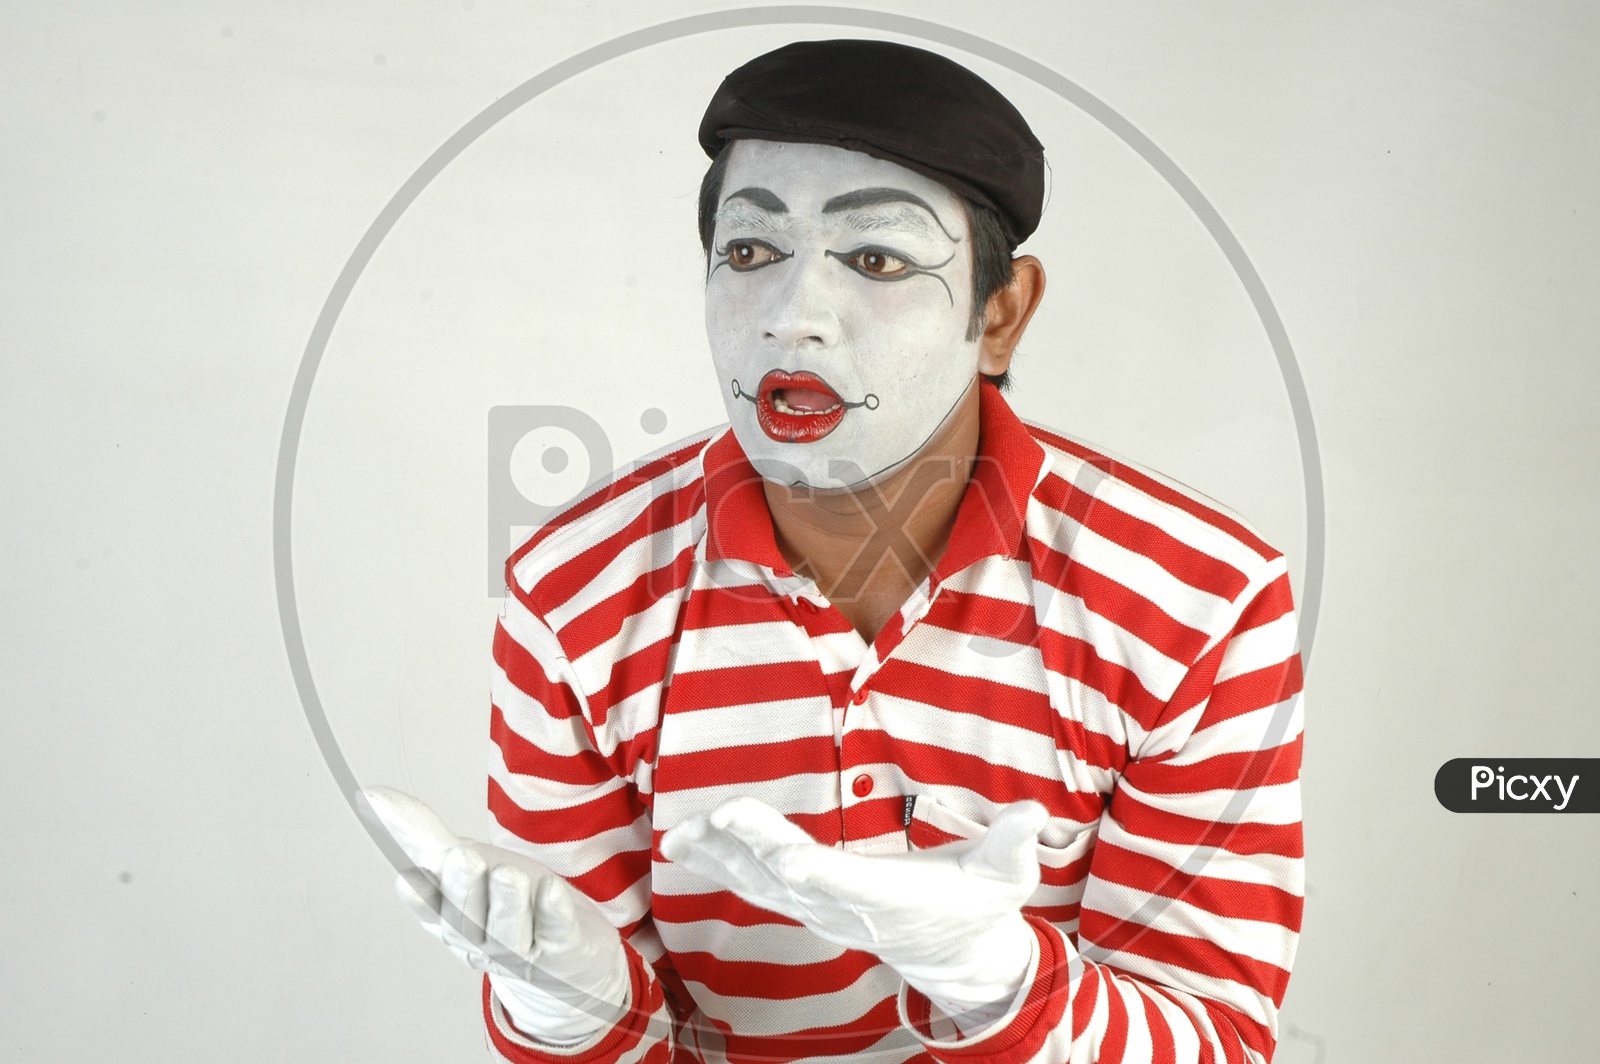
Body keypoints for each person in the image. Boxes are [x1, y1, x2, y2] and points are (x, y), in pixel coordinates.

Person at [363, 38, 1304, 1064]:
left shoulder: (1201, 599)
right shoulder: (570, 596)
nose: (791, 319)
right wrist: (580, 1010)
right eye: (752, 253)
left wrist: (1003, 983)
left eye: (877, 259)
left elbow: (1214, 1037)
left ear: (1000, 314)